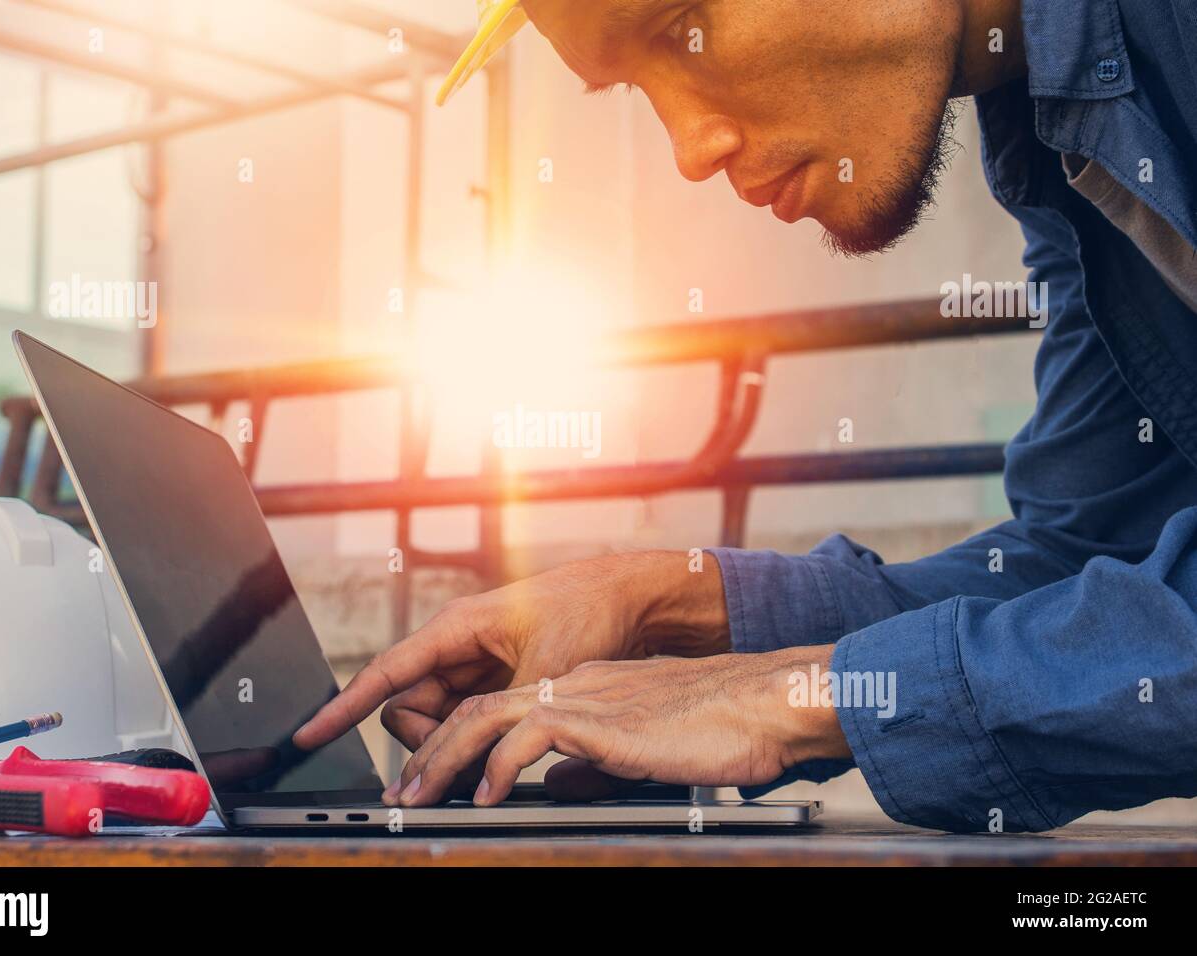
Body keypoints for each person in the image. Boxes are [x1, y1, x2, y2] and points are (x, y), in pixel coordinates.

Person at [295, 0, 1197, 832]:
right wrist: (665, 601)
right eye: (633, 87)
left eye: (685, 20)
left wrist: (799, 697)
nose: (689, 148)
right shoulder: (1055, 140)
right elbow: (1099, 567)